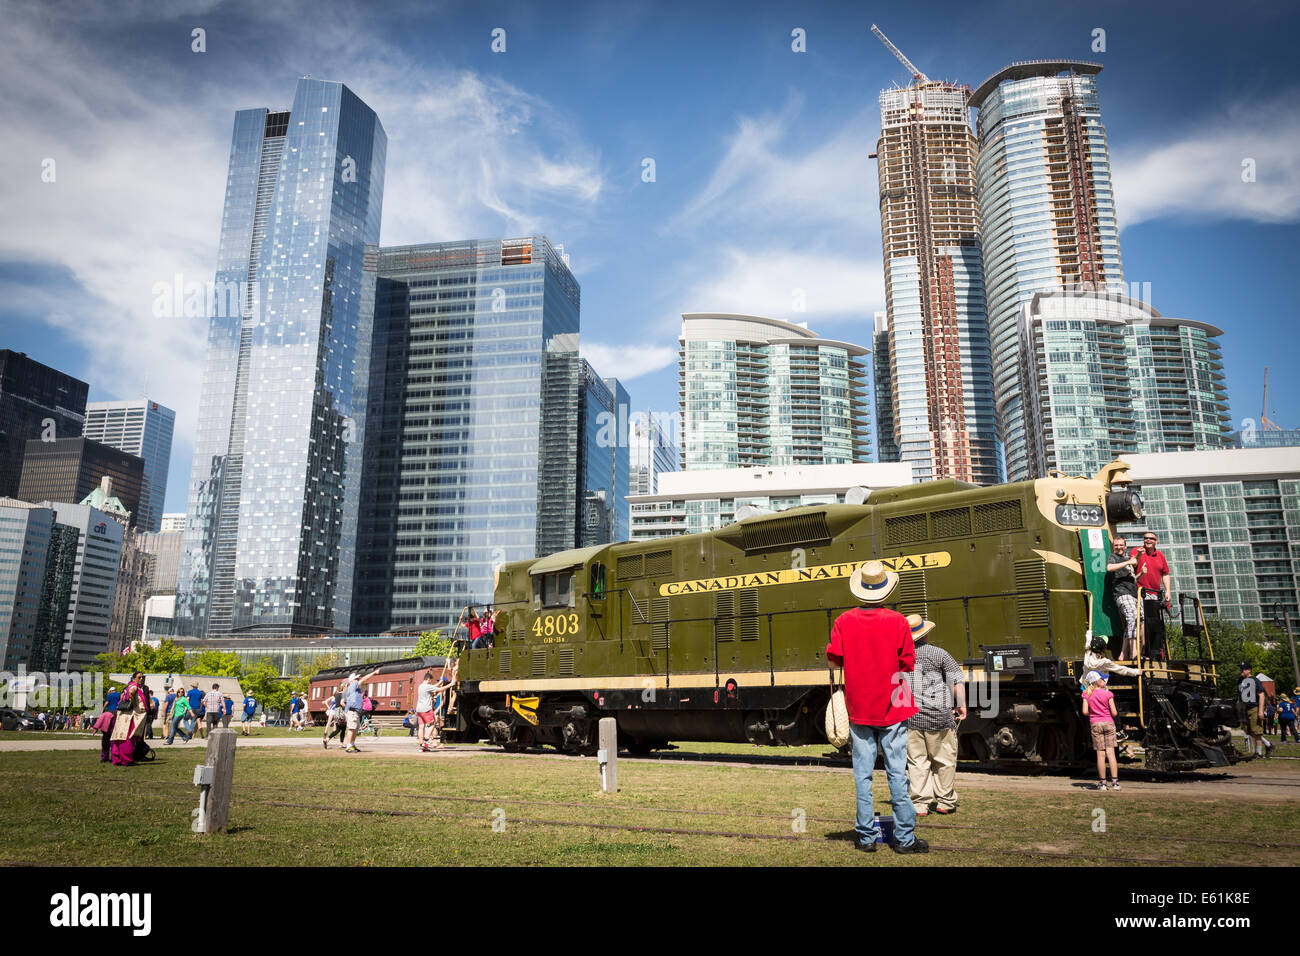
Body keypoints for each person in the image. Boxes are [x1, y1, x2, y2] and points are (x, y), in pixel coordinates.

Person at [826, 561, 925, 855]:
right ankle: (905, 840)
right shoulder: (898, 621)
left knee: (862, 774)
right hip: (894, 704)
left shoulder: (843, 621)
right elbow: (908, 663)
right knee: (898, 773)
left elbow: (834, 660)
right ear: (885, 589)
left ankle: (867, 838)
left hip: (859, 706)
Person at [904, 615, 966, 818]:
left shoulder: (902, 656)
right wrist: (961, 705)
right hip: (940, 716)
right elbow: (956, 681)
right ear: (926, 634)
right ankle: (945, 802)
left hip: (912, 717)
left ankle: (920, 804)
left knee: (917, 762)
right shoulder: (940, 654)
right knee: (944, 760)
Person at [1130, 532, 1172, 661]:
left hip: (1155, 595)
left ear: (1156, 541)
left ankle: (1156, 653)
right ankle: (1142, 652)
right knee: (1143, 623)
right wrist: (1139, 554)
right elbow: (1133, 563)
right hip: (1140, 593)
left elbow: (1165, 574)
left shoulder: (1160, 556)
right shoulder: (1137, 550)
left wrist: (1168, 590)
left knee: (1155, 626)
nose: (1148, 540)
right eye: (1146, 538)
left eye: (1151, 538)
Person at [1081, 670, 1120, 790]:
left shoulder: (1086, 694)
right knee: (1111, 754)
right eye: (1103, 679)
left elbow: (1085, 712)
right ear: (1098, 681)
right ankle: (1115, 783)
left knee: (1100, 754)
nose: (1105, 681)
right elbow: (1114, 713)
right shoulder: (1108, 694)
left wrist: (1094, 714)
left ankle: (1103, 783)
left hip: (1095, 724)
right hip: (1108, 723)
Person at [1105, 536, 1140, 660]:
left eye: (1121, 545)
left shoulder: (1126, 559)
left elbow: (1132, 578)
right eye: (1116, 545)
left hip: (1134, 594)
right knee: (1133, 617)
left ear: (1125, 546)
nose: (1119, 547)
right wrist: (1128, 562)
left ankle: (1122, 654)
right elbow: (1109, 568)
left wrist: (1142, 574)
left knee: (1135, 621)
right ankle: (1134, 652)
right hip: (1122, 593)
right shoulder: (1113, 557)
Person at [109, 672, 150, 765]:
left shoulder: (127, 687)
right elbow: (132, 692)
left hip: (123, 715)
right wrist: (134, 702)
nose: (141, 679)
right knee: (129, 736)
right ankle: (126, 759)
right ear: (134, 678)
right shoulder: (134, 686)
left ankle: (117, 759)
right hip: (130, 716)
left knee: (119, 737)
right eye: (139, 677)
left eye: (142, 677)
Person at [342, 669, 380, 753]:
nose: (359, 680)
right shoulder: (352, 686)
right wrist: (373, 673)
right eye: (357, 679)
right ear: (353, 680)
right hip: (352, 711)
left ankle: (352, 744)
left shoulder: (356, 688)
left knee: (355, 729)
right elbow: (364, 679)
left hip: (356, 711)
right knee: (351, 728)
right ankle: (348, 746)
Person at [1238, 663, 1272, 758]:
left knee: (1256, 730)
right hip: (1244, 708)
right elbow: (1240, 695)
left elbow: (1261, 695)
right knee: (1247, 730)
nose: (1241, 671)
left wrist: (1260, 711)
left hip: (1254, 707)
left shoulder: (1254, 680)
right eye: (1241, 669)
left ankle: (1259, 753)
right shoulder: (1240, 681)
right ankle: (1268, 744)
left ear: (1249, 670)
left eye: (1243, 669)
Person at [415, 672, 442, 752]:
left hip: (419, 709)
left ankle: (422, 744)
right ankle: (426, 739)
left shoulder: (421, 686)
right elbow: (437, 689)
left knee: (421, 727)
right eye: (430, 680)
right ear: (428, 679)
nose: (430, 682)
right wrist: (450, 684)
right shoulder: (426, 686)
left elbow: (432, 687)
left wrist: (439, 683)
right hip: (425, 709)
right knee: (433, 722)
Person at [97, 685, 121, 762]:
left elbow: (106, 703)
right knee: (113, 735)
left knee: (106, 734)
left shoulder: (110, 695)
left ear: (110, 691)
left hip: (109, 713)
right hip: (117, 714)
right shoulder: (119, 695)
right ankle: (115, 757)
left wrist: (102, 710)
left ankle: (105, 757)